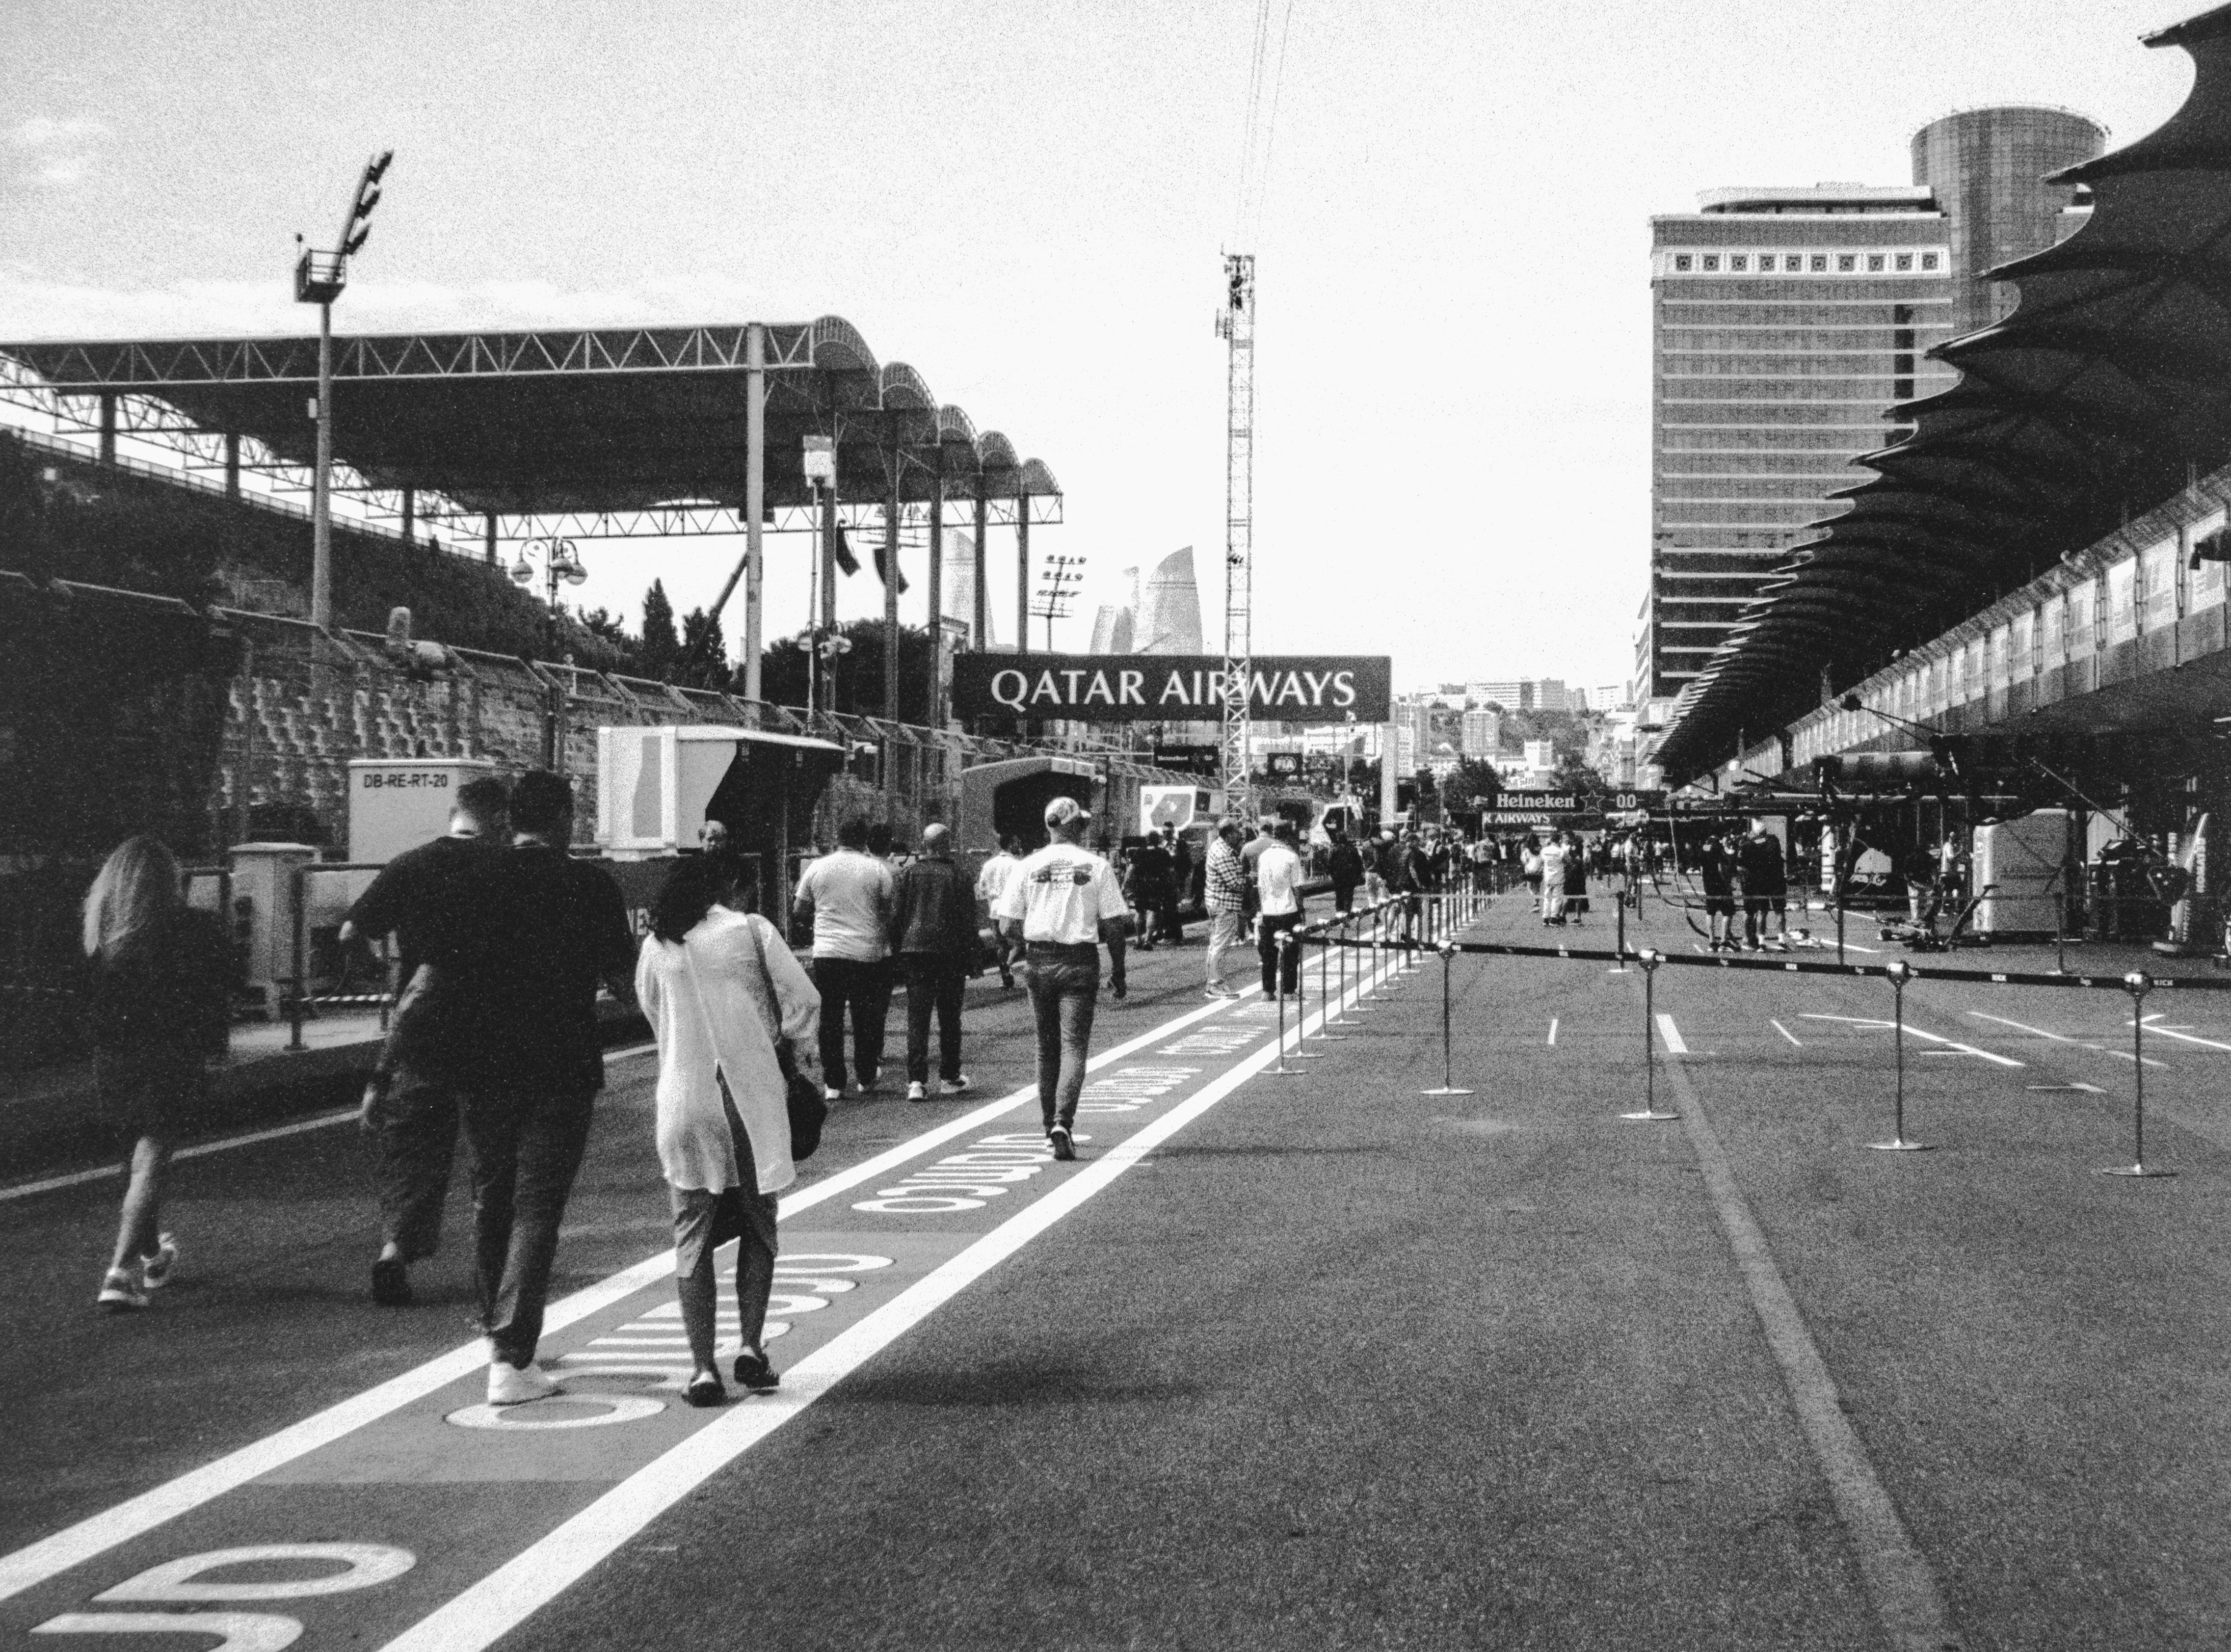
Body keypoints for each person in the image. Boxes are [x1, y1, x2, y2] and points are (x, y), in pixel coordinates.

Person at [462, 770, 636, 1404]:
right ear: (564, 817)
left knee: (491, 1197)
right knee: (537, 1207)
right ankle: (511, 1355)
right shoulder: (589, 884)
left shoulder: (475, 878)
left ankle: (495, 1333)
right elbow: (625, 980)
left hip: (482, 1061)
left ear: (511, 818)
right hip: (561, 1063)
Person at [635, 852, 818, 1406]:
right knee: (759, 1226)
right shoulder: (751, 930)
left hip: (682, 1098)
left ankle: (700, 1369)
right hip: (748, 1094)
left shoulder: (658, 944)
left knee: (692, 1233)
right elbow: (806, 998)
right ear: (728, 888)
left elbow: (652, 1010)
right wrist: (776, 1035)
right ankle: (750, 1347)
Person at [339, 775, 512, 1307]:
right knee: (493, 1158)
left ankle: (395, 1249)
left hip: (422, 1026)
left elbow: (351, 932)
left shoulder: (409, 864)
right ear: (501, 820)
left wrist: (379, 976)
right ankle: (494, 1278)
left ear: (454, 812)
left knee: (415, 1151)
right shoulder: (506, 869)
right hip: (492, 1031)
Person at [82, 836, 230, 1312]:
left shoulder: (99, 932)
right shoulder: (194, 928)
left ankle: (152, 1255)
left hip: (114, 1058)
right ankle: (120, 1273)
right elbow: (224, 986)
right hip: (171, 1053)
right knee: (152, 1159)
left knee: (133, 1162)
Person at [994, 796, 1129, 1162]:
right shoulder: (1096, 865)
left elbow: (1007, 924)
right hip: (1080, 961)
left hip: (1039, 961)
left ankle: (1046, 1126)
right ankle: (1062, 1122)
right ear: (1074, 826)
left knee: (1046, 1046)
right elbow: (1115, 924)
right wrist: (1119, 969)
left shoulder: (1027, 865)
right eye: (1082, 824)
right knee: (1074, 1046)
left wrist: (1031, 939)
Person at [792, 818, 895, 1101]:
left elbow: (799, 909)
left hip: (828, 953)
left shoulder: (818, 867)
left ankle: (834, 1083)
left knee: (831, 1017)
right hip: (866, 953)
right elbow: (889, 913)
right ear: (864, 841)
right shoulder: (877, 869)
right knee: (865, 1017)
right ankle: (865, 1076)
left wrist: (820, 923)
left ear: (838, 837)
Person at [890, 823, 977, 1101]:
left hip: (916, 952)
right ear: (948, 843)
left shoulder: (908, 875)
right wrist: (973, 961)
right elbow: (968, 922)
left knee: (918, 1018)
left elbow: (896, 918)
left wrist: (898, 950)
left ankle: (916, 1082)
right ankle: (949, 1077)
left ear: (925, 845)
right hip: (950, 953)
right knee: (950, 1017)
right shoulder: (960, 876)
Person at [1256, 820, 1308, 999]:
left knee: (1269, 954)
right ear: (1289, 836)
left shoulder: (1264, 857)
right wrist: (1301, 910)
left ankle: (1268, 991)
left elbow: (1260, 886)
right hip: (1288, 910)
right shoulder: (1291, 856)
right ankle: (1288, 991)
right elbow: (1298, 887)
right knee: (1290, 952)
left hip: (1268, 911)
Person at [1203, 816, 1247, 998]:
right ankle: (1214, 984)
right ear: (1229, 833)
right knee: (1219, 946)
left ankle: (1215, 981)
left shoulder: (1223, 848)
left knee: (1216, 944)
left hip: (1218, 903)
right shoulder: (1223, 852)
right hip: (1224, 904)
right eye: (1237, 830)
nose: (1240, 833)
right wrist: (1250, 880)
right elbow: (1234, 883)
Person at [976, 834, 1024, 988]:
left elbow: (982, 888)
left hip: (995, 909)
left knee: (1001, 945)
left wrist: (991, 898)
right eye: (1016, 842)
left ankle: (1004, 970)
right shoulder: (1016, 864)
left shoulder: (989, 864)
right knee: (1018, 943)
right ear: (1010, 845)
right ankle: (1008, 965)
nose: (1019, 844)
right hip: (1011, 909)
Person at [1740, 820, 1788, 951]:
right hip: (1776, 880)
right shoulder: (1773, 840)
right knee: (1779, 911)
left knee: (1762, 912)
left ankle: (1761, 942)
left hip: (1760, 882)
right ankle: (1782, 941)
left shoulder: (1751, 845)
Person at [1125, 831, 1174, 950]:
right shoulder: (1163, 853)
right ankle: (1148, 940)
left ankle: (1138, 939)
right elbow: (1170, 872)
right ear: (1158, 841)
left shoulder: (1139, 852)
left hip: (1140, 886)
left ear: (1147, 840)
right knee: (1152, 912)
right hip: (1156, 886)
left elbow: (1130, 871)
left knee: (1139, 912)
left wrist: (1125, 885)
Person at [1698, 829, 1737, 951]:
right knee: (1728, 912)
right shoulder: (1718, 846)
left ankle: (1712, 942)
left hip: (1708, 884)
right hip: (1719, 884)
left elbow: (1701, 868)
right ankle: (1724, 943)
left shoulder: (1704, 847)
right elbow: (1724, 862)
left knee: (1710, 912)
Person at [1156, 821, 1191, 946]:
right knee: (1161, 908)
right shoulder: (1159, 844)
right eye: (1165, 832)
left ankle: (1176, 934)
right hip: (1161, 880)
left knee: (1173, 908)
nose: (1167, 834)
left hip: (1175, 880)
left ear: (1173, 832)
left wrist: (1182, 878)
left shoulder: (1180, 844)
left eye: (1169, 832)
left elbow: (1187, 863)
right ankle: (1162, 933)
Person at [1326, 823, 1364, 915]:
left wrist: (1330, 874)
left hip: (1338, 876)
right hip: (1350, 877)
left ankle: (1340, 913)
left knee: (1339, 895)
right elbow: (1359, 863)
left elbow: (1329, 863)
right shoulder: (1352, 849)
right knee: (1348, 895)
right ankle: (1347, 912)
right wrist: (1358, 875)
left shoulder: (1335, 849)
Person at [1538, 831, 1570, 926]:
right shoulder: (1560, 851)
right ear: (1559, 840)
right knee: (1556, 898)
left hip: (1548, 876)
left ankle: (1545, 918)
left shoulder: (1544, 851)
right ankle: (1553, 918)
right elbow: (1568, 861)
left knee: (1547, 897)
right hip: (1558, 876)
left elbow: (1541, 861)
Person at [1563, 831, 1590, 924]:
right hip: (1580, 874)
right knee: (1578, 895)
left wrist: (1570, 863)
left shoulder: (1574, 847)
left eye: (1566, 838)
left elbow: (1577, 859)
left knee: (1567, 895)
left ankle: (1563, 917)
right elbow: (1586, 859)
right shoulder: (1583, 847)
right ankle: (1577, 917)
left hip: (1573, 874)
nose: (1565, 840)